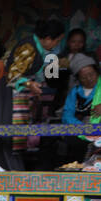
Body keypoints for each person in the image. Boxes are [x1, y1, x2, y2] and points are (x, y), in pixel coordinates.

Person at [6, 19, 66, 163]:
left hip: (25, 94)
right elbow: (12, 75)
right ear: (47, 39)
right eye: (57, 41)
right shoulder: (29, 47)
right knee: (17, 131)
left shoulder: (41, 49)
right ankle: (13, 166)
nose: (57, 44)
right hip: (14, 95)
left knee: (25, 130)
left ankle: (20, 163)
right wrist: (29, 84)